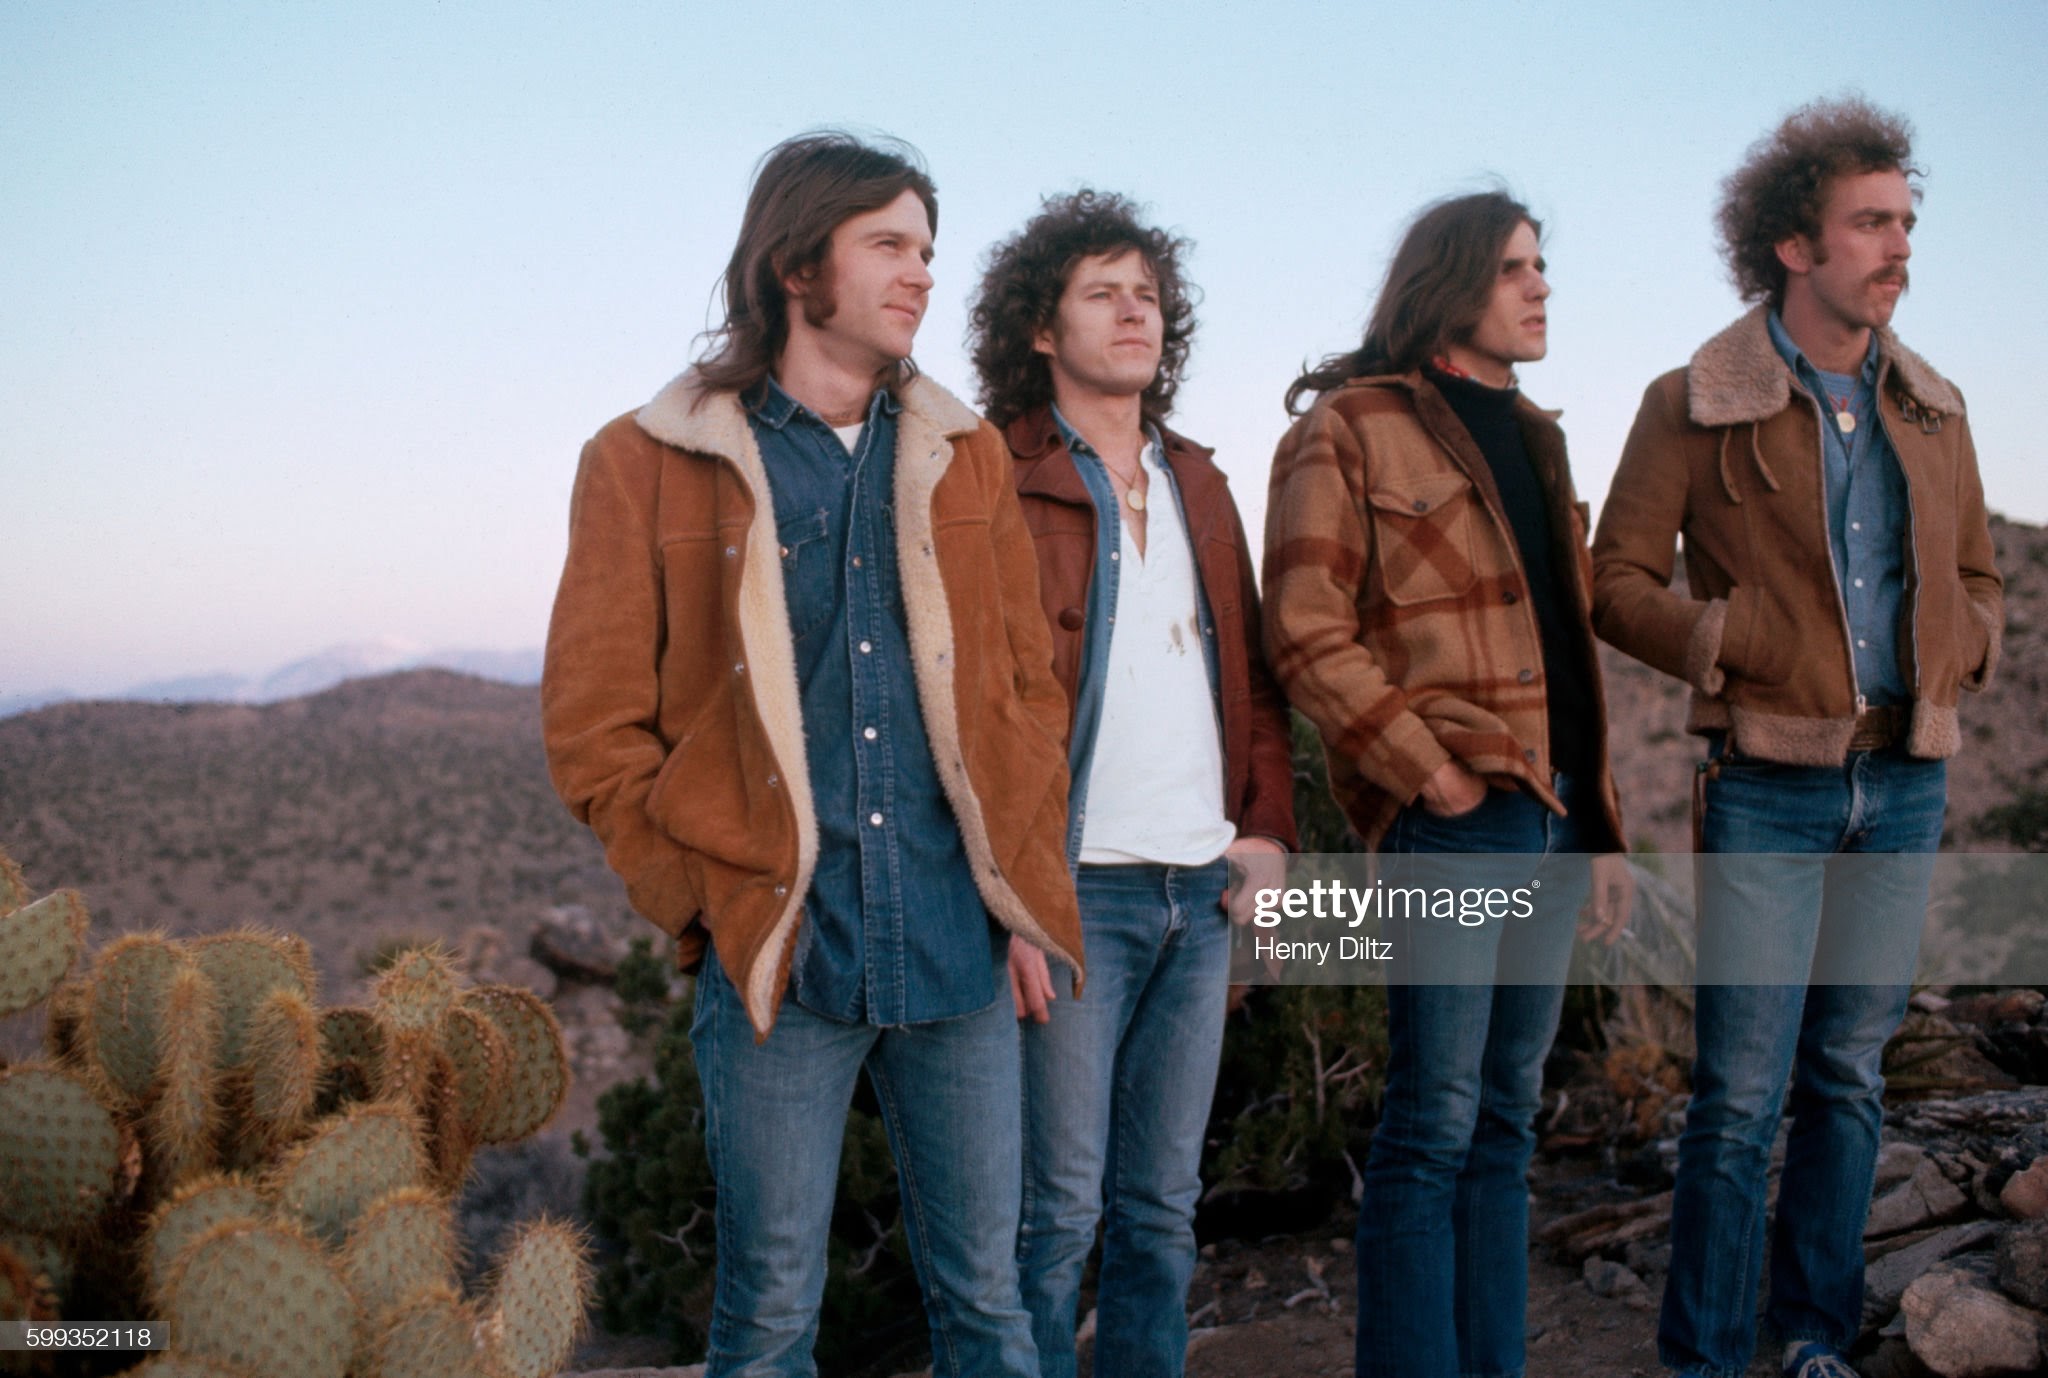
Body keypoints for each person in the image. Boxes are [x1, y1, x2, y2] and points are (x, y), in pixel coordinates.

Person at [540, 131, 1083, 1378]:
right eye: (887, 244)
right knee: (770, 1320)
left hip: (956, 950)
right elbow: (591, 725)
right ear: (796, 264)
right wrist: (701, 900)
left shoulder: (967, 455)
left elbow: (1018, 696)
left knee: (989, 1312)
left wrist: (1015, 897)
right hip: (780, 954)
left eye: (927, 251)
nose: (919, 275)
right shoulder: (643, 461)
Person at [1591, 96, 2003, 1378]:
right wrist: (1735, 642)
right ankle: (1706, 1354)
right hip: (1763, 783)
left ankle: (1814, 1333)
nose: (1896, 248)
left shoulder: (1931, 406)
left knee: (1848, 1077)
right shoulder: (1691, 399)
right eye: (1868, 224)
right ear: (1790, 243)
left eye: (1903, 223)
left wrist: (1961, 651)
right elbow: (1612, 579)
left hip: (1905, 781)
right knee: (1735, 1100)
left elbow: (1982, 575)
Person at [1261, 190, 1631, 1378]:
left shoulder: (1538, 436)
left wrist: (1603, 827)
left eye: (1541, 267)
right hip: (1457, 824)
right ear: (1450, 282)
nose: (1539, 287)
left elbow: (1570, 656)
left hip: (1553, 814)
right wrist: (1428, 775)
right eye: (1515, 268)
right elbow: (1303, 629)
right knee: (1432, 1124)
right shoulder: (1351, 426)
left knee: (1506, 1125)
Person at [966, 190, 1296, 1378]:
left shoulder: (1200, 478)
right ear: (1042, 329)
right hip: (1073, 894)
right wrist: (1003, 892)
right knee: (1055, 1216)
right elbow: (971, 707)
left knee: (1162, 1207)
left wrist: (1263, 832)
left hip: (1199, 891)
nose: (1132, 313)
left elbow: (1247, 674)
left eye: (1146, 295)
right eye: (1101, 294)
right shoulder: (993, 474)